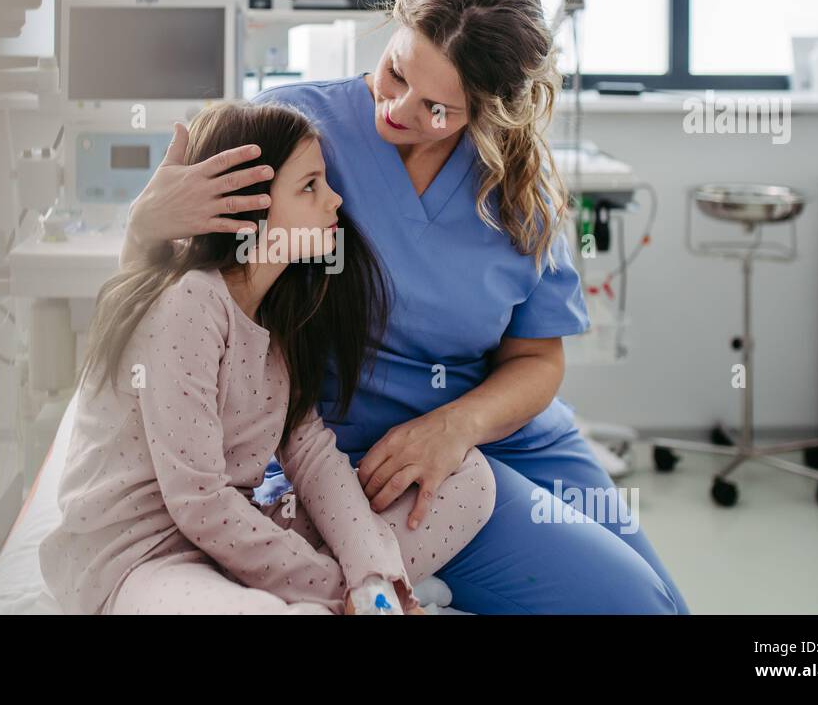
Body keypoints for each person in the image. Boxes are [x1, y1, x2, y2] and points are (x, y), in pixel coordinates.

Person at [120, 0, 690, 614]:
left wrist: (457, 424)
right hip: (374, 454)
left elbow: (537, 357)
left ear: (489, 111)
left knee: (669, 602)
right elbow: (183, 286)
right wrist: (145, 224)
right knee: (634, 606)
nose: (395, 109)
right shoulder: (296, 134)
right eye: (394, 72)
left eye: (437, 108)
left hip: (509, 432)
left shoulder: (516, 185)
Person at [38, 101, 494, 614]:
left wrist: (372, 571)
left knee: (472, 480)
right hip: (146, 557)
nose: (335, 200)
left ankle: (370, 588)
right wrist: (340, 586)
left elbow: (312, 452)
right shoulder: (191, 302)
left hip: (238, 536)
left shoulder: (277, 320)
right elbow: (199, 502)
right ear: (247, 210)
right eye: (310, 187)